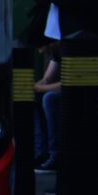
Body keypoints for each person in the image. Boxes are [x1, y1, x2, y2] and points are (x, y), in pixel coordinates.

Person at [32, 43, 61, 173]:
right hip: (58, 90)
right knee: (35, 98)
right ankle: (41, 152)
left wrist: (39, 88)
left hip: (81, 91)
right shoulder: (55, 54)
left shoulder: (67, 49)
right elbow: (47, 79)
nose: (40, 51)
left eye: (41, 46)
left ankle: (55, 155)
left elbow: (68, 83)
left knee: (49, 99)